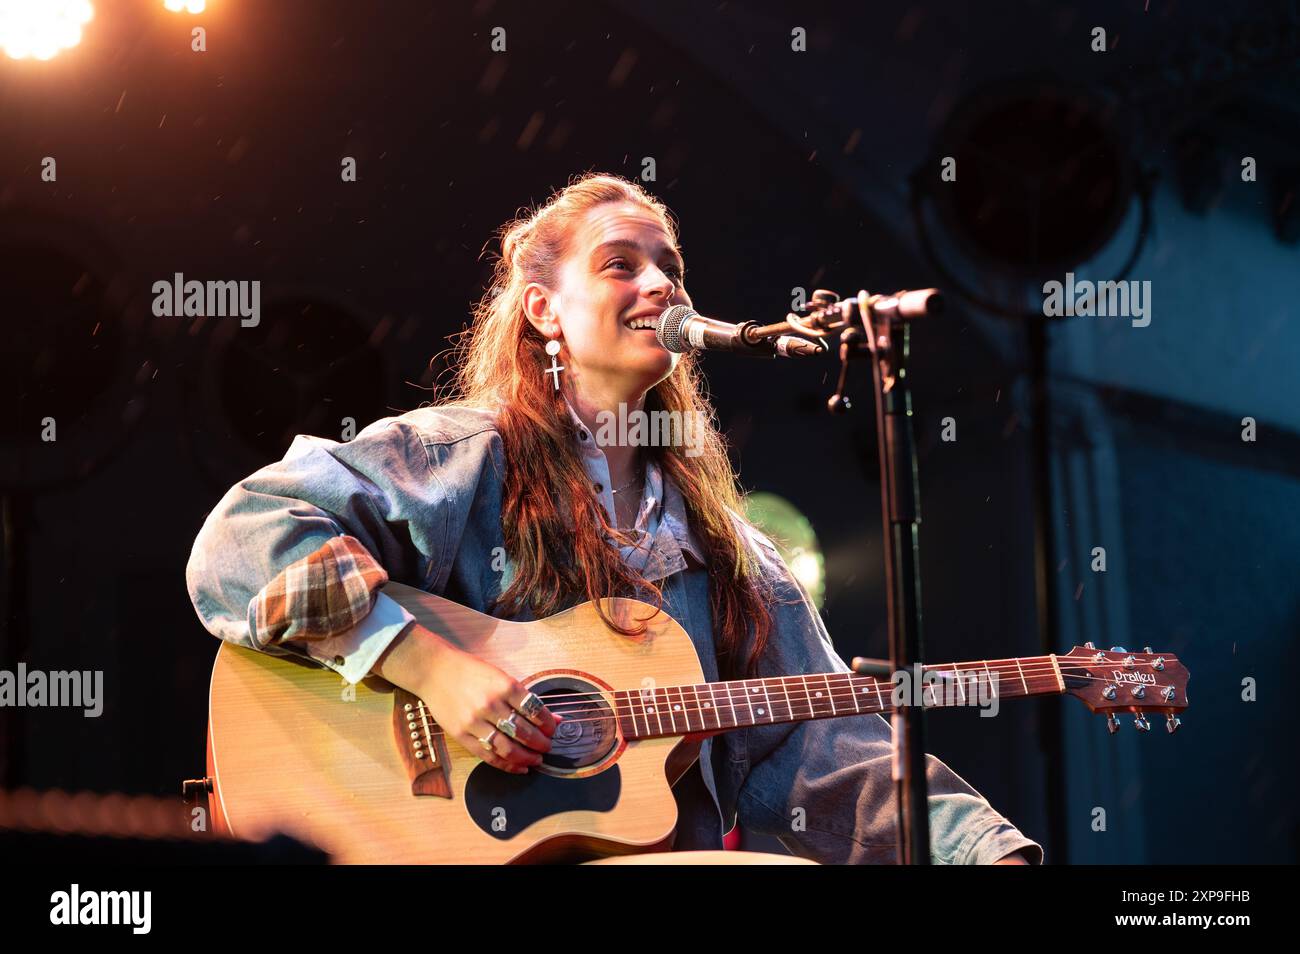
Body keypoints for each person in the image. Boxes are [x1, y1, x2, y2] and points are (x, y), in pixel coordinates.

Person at [185, 172, 1041, 864]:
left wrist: (985, 853)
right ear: (543, 311)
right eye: (620, 264)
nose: (660, 282)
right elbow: (243, 537)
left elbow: (830, 748)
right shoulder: (463, 457)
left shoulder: (728, 555)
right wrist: (428, 667)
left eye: (668, 265)